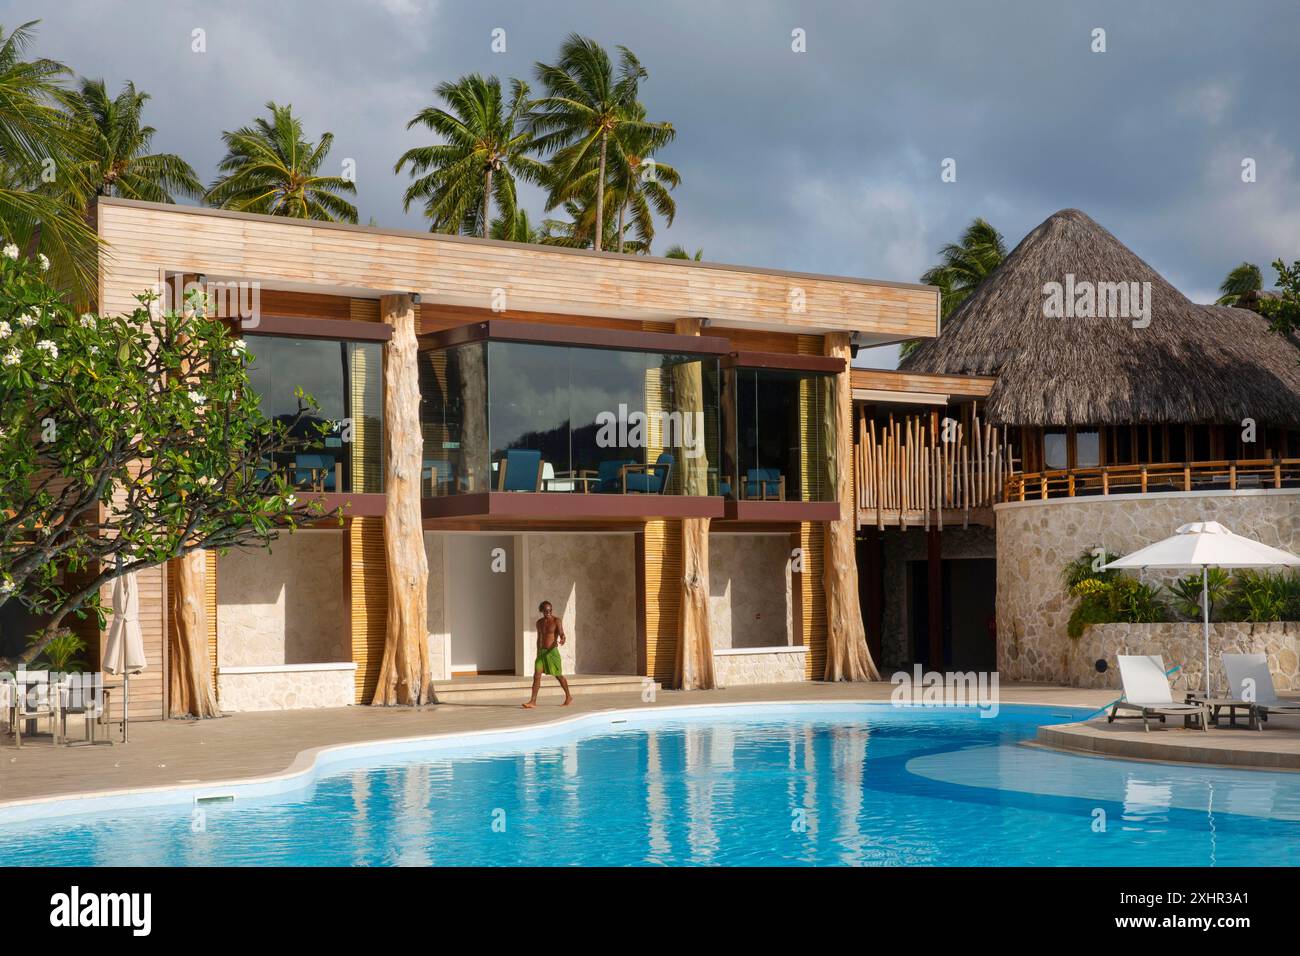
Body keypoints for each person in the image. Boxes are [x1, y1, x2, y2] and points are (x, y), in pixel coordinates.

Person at [523, 600, 572, 708]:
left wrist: (563, 638)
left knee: (558, 676)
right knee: (536, 676)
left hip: (552, 652)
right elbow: (539, 638)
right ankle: (533, 701)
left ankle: (568, 696)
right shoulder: (539, 623)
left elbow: (561, 633)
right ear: (542, 611)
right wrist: (537, 652)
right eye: (546, 610)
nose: (548, 612)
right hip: (542, 652)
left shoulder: (556, 621)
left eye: (550, 610)